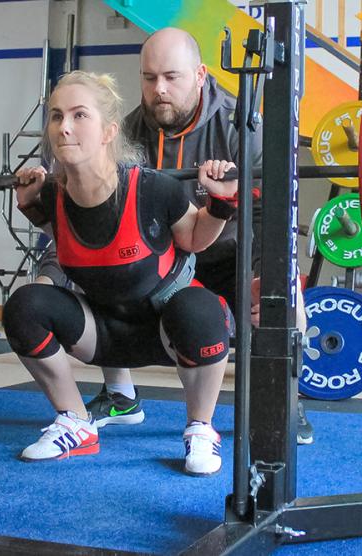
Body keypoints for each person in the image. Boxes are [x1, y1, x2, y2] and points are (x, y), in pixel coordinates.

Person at [35, 28, 314, 444]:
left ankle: (282, 400)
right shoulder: (126, 133)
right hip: (164, 258)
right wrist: (50, 273)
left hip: (231, 253)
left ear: (200, 75)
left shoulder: (240, 128)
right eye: (149, 78)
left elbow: (266, 214)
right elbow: (90, 214)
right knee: (107, 273)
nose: (159, 89)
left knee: (283, 301)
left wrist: (268, 277)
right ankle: (121, 396)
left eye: (171, 77)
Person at [4, 70, 239, 475]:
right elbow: (74, 242)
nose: (64, 127)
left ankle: (201, 428)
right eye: (57, 116)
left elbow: (196, 239)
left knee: (202, 309)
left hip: (168, 330)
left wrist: (220, 204)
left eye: (79, 115)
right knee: (24, 307)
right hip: (103, 334)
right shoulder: (53, 196)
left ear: (109, 131)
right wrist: (31, 206)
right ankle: (76, 422)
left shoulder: (153, 189)